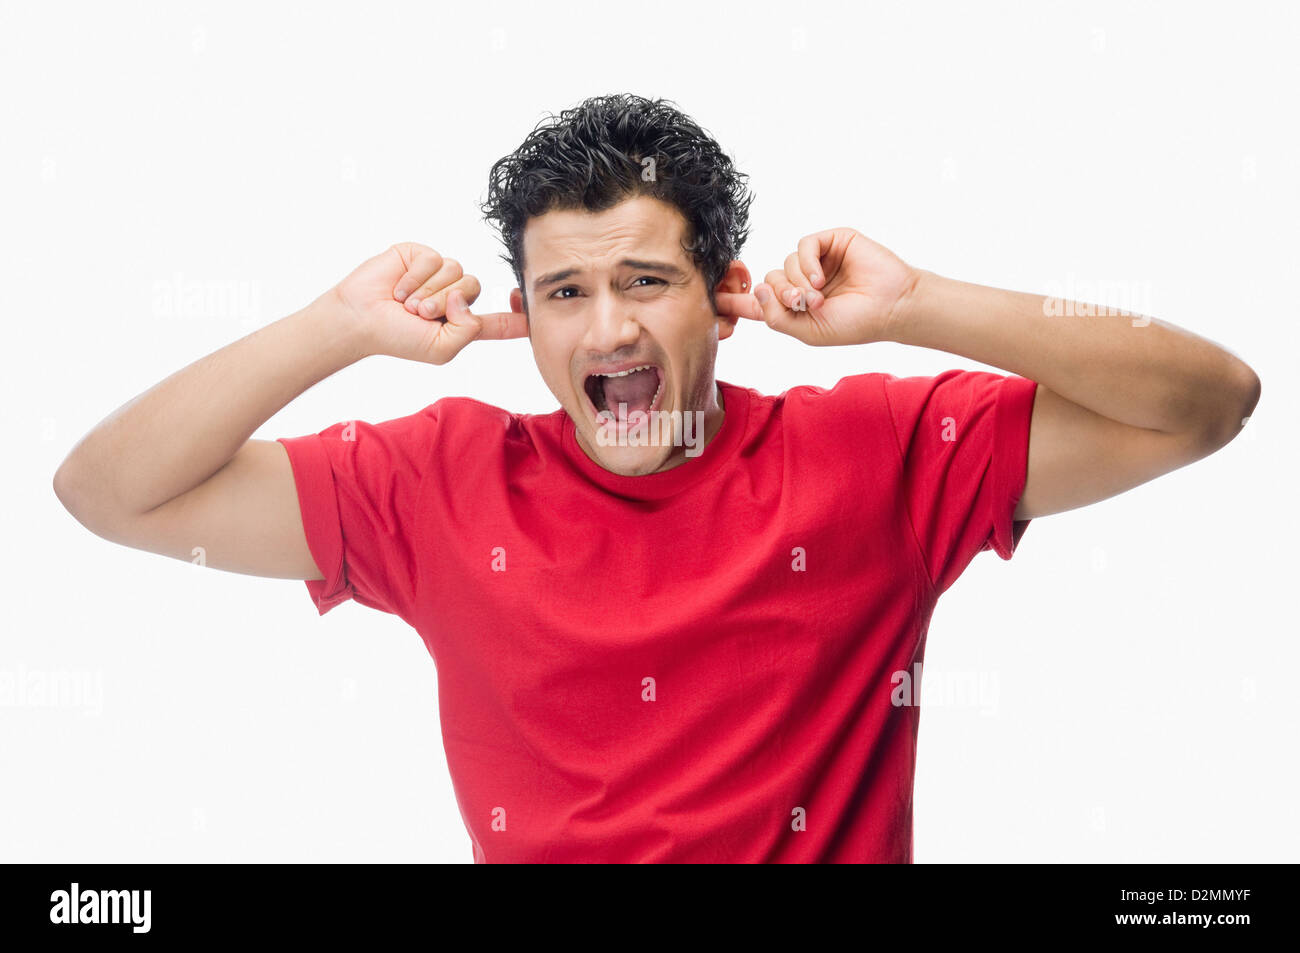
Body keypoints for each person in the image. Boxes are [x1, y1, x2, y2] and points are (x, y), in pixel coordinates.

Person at [53, 93, 1260, 863]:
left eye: (645, 280)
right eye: (566, 295)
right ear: (521, 319)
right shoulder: (434, 482)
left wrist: (923, 305)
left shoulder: (875, 453)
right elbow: (110, 492)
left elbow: (1208, 402)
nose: (608, 332)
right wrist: (331, 328)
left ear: (723, 298)